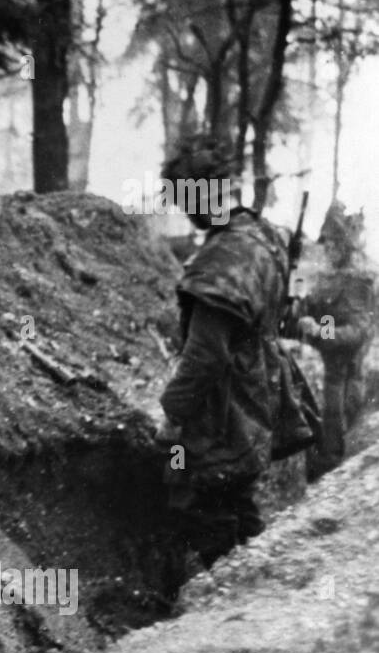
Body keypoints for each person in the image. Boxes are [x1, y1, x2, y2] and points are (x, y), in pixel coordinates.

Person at [156, 135, 289, 567]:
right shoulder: (263, 237)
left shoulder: (220, 261)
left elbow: (205, 357)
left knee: (193, 506)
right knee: (241, 512)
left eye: (182, 197)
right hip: (257, 415)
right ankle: (256, 591)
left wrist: (172, 414)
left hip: (219, 425)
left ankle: (215, 610)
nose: (182, 209)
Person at [297, 204, 375, 477]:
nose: (326, 249)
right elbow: (312, 307)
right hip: (323, 373)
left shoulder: (357, 281)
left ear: (343, 245)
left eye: (331, 243)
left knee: (330, 455)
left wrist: (320, 332)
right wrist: (300, 307)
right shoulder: (328, 277)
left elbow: (357, 332)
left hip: (342, 379)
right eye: (325, 244)